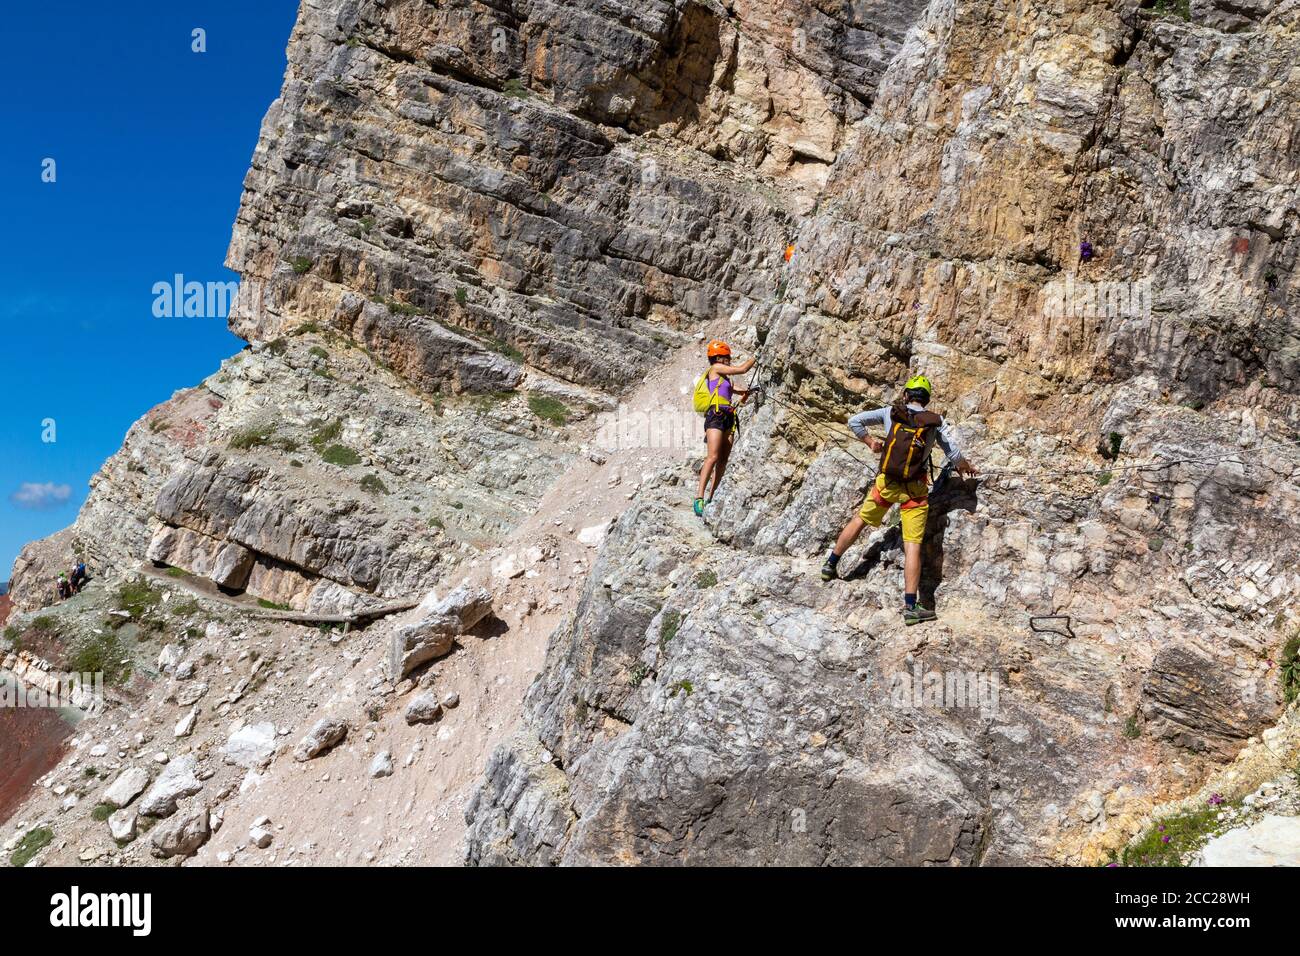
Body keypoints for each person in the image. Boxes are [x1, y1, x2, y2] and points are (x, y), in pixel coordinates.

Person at [820, 374, 977, 625]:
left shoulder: (890, 413)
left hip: (887, 484)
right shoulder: (934, 422)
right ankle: (911, 607)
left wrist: (871, 442)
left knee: (861, 519)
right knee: (912, 544)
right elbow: (954, 452)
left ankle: (830, 564)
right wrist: (965, 467)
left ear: (906, 395)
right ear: (926, 400)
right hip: (914, 490)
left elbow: (855, 421)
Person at [693, 340, 754, 516]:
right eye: (727, 357)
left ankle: (711, 497)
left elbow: (739, 391)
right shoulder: (715, 369)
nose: (729, 360)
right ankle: (699, 498)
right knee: (712, 457)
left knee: (722, 460)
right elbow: (743, 368)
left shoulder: (726, 379)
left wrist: (746, 393)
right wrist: (756, 357)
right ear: (719, 358)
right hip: (716, 416)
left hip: (728, 417)